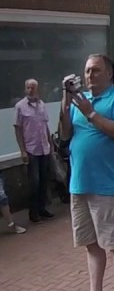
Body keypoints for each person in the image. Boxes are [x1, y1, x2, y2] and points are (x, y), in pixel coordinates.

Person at [62, 54, 114, 291]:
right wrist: (66, 101)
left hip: (108, 184)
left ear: (109, 74)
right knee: (91, 245)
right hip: (80, 184)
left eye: (96, 71)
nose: (90, 76)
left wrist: (90, 114)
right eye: (86, 71)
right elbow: (66, 133)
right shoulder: (79, 101)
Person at [13, 78, 54, 224]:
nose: (31, 90)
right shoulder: (20, 107)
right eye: (28, 88)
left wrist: (50, 145)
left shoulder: (42, 105)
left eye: (33, 88)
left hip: (44, 148)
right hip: (31, 149)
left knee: (44, 180)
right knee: (34, 182)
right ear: (25, 89)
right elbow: (18, 129)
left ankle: (42, 209)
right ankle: (33, 212)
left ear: (38, 89)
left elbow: (45, 126)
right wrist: (22, 151)